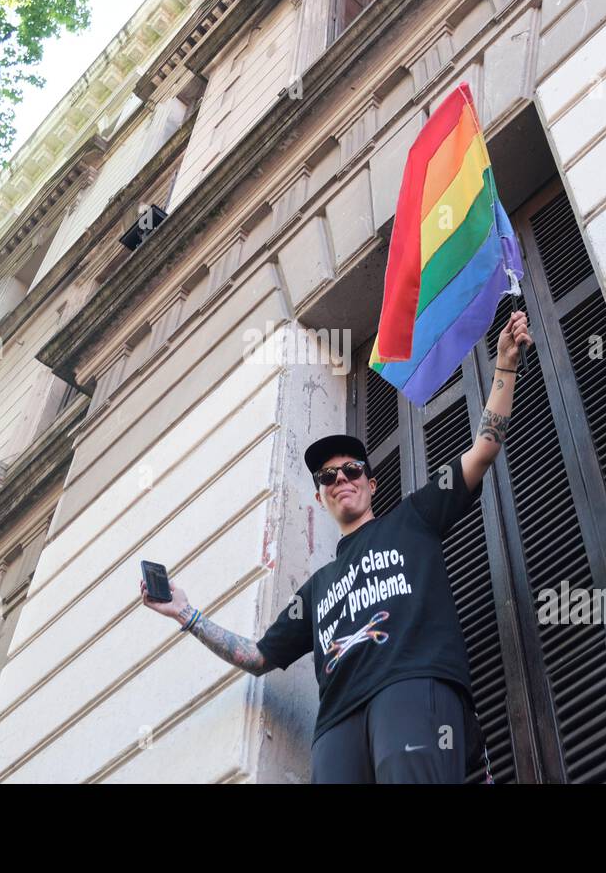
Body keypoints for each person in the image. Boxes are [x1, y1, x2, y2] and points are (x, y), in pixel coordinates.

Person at [141, 309, 533, 782]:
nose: (340, 480)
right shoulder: (316, 588)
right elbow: (259, 657)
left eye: (351, 470)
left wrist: (506, 364)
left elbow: (484, 449)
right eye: (328, 477)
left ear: (371, 483)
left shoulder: (415, 518)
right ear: (319, 495)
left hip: (410, 686)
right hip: (336, 727)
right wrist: (187, 614)